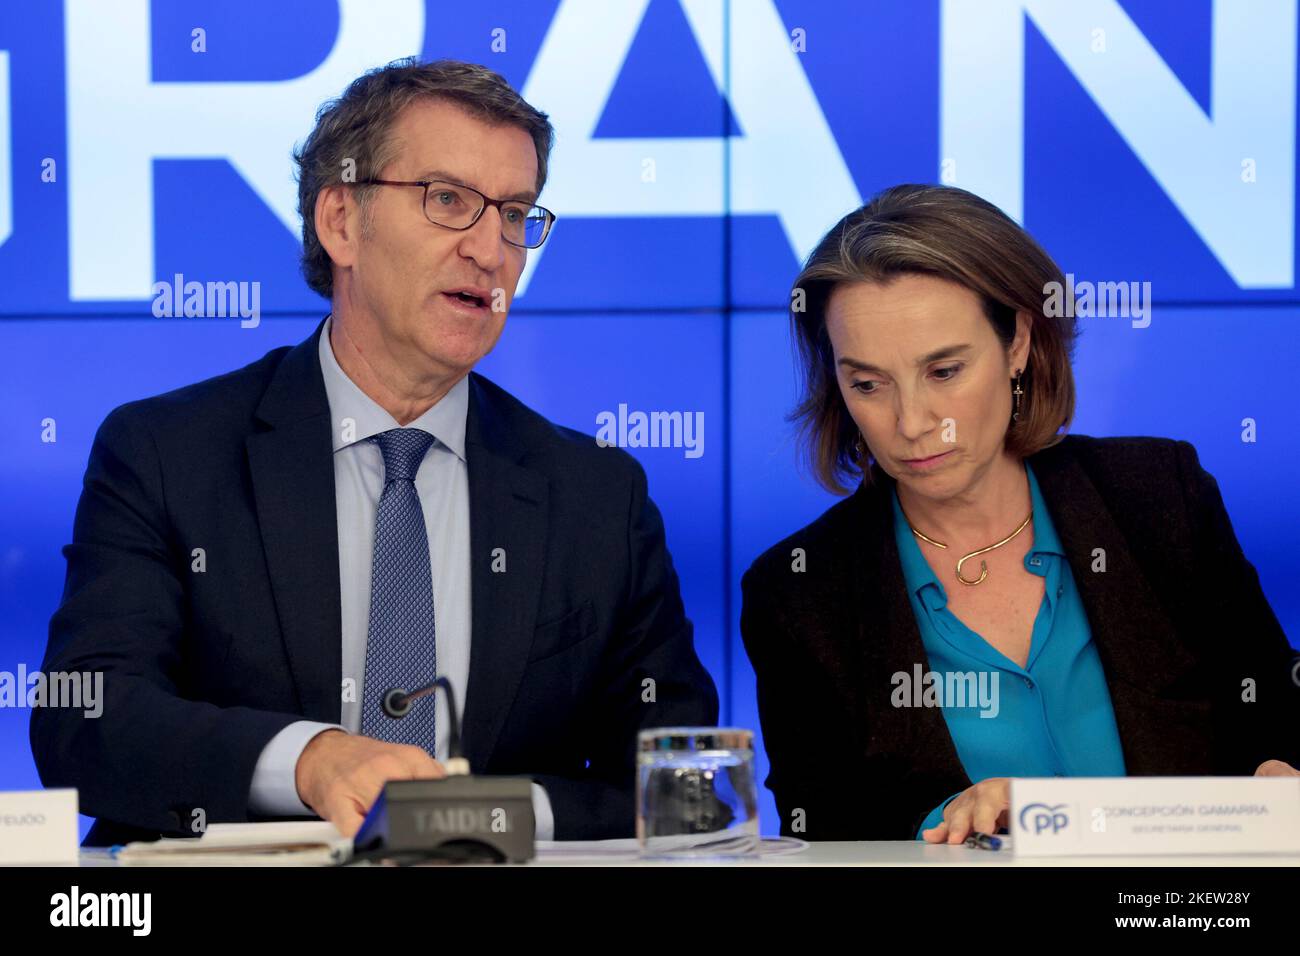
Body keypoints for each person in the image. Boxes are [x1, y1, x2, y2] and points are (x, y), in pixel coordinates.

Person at [32, 58, 717, 846]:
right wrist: (310, 760)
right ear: (341, 221)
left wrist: (477, 816)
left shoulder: (595, 493)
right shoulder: (167, 454)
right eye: (448, 200)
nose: (490, 250)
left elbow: (683, 785)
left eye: (514, 214)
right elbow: (87, 721)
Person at [740, 183, 1300, 844]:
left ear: (1018, 343)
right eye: (868, 383)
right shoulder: (798, 590)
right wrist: (955, 823)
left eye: (944, 371)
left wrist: (1278, 769)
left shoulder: (1158, 496)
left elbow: (1272, 712)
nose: (912, 423)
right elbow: (822, 827)